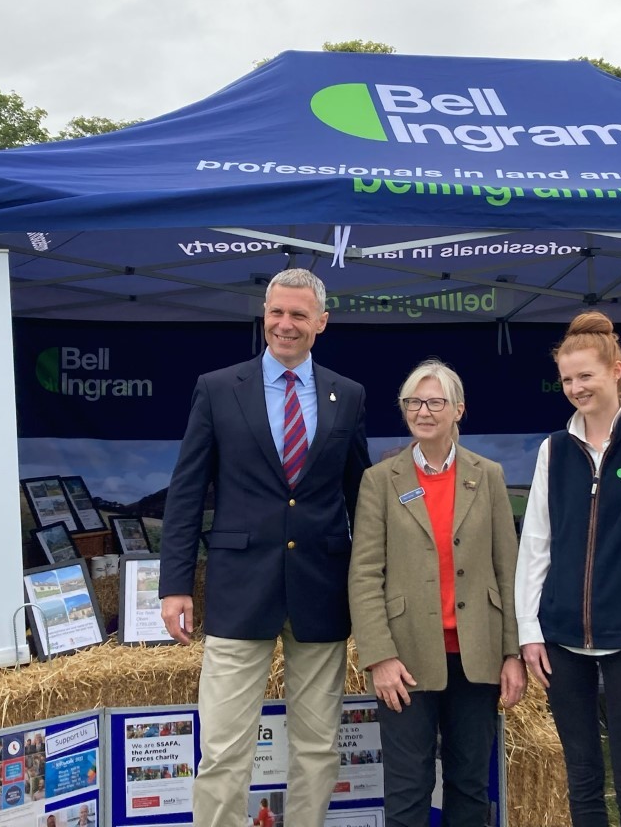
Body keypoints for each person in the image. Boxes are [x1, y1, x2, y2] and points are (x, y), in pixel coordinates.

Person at [160, 267, 371, 827]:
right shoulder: (216, 388)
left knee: (318, 747)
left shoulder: (347, 396)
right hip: (238, 591)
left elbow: (362, 496)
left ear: (321, 322)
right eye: (277, 312)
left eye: (299, 315)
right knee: (224, 750)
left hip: (322, 592)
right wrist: (176, 585)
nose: (285, 324)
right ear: (264, 315)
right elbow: (186, 492)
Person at [516, 310, 621, 827]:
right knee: (581, 774)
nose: (575, 388)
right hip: (561, 636)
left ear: (615, 370)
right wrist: (529, 629)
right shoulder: (553, 450)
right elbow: (537, 543)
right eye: (567, 379)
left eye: (585, 375)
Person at [349, 361, 525, 827]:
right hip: (405, 661)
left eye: (434, 402)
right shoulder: (380, 480)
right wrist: (378, 656)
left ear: (459, 410)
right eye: (413, 402)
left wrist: (513, 653)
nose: (422, 411)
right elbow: (364, 574)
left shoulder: (487, 475)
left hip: (477, 656)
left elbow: (508, 569)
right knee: (407, 787)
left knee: (470, 785)